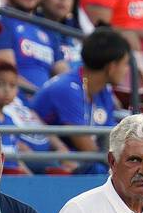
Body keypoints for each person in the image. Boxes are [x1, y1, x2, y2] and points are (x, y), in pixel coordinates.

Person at [30, 25, 129, 154]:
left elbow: (109, 140)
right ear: (111, 67)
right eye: (125, 64)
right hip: (45, 162)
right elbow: (88, 149)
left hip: (77, 163)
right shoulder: (67, 89)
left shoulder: (103, 90)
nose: (126, 70)